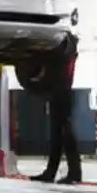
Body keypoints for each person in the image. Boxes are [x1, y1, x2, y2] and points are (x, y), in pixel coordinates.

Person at [29, 34, 82, 185]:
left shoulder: (65, 46)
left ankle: (74, 173)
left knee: (65, 133)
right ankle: (52, 172)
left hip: (62, 92)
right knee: (57, 134)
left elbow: (54, 65)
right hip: (58, 91)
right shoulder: (66, 45)